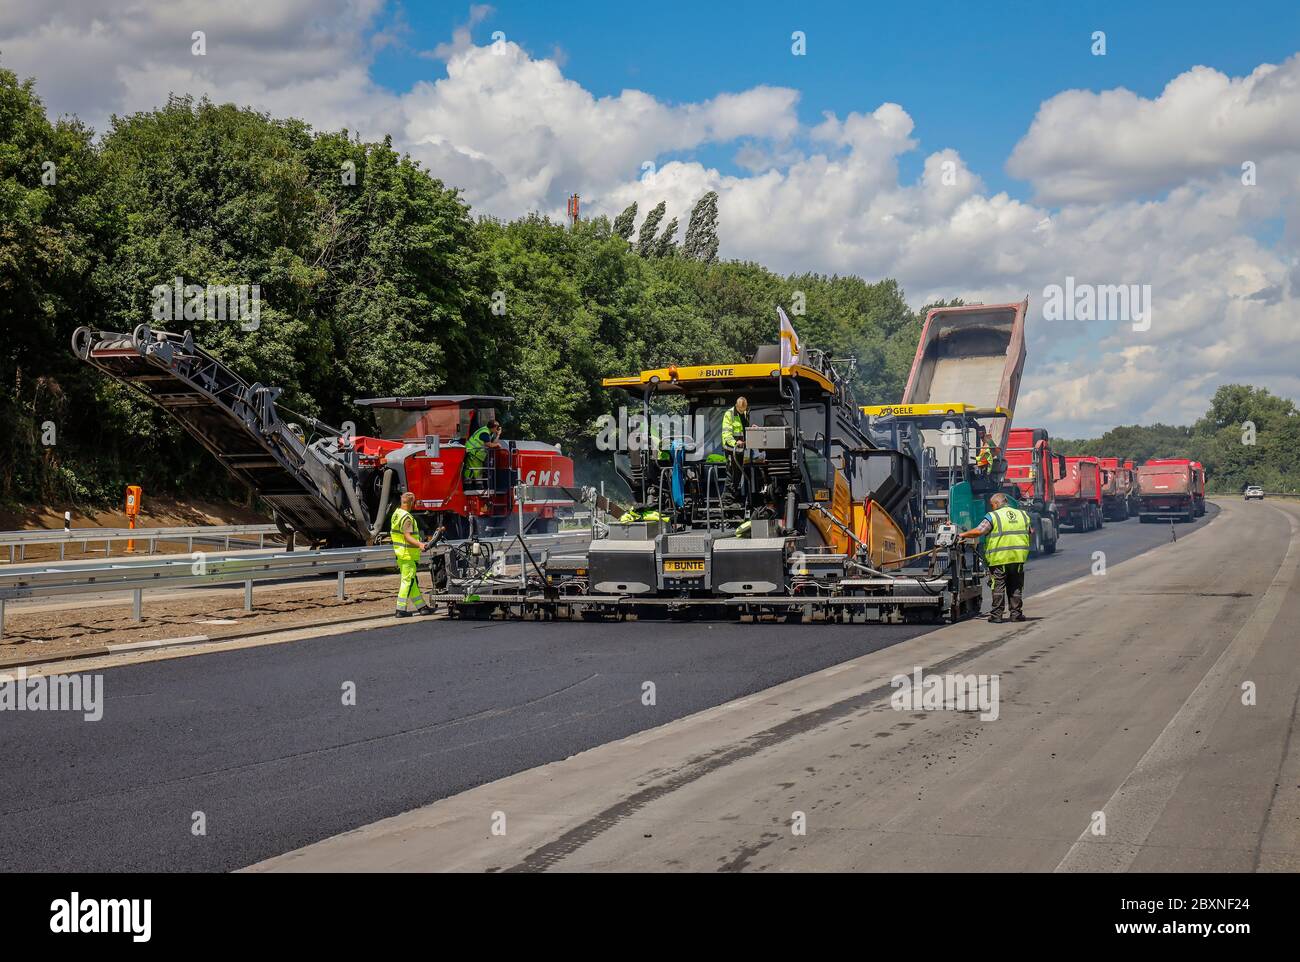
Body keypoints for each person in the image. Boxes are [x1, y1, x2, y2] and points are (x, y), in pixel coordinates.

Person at [958, 492, 1030, 623]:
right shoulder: (1022, 514)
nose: (992, 508)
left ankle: (997, 615)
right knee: (1015, 586)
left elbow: (979, 531)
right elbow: (1030, 531)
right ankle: (1016, 614)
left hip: (1000, 558)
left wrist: (962, 535)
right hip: (1018, 557)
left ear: (997, 503)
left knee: (998, 586)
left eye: (992, 505)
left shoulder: (993, 516)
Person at [389, 492, 438, 617]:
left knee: (412, 582)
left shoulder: (396, 514)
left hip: (401, 554)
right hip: (408, 554)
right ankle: (400, 610)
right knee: (407, 581)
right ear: (411, 503)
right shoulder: (407, 518)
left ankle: (422, 607)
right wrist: (420, 544)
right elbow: (407, 536)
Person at [722, 396, 750, 495]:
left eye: (744, 409)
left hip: (741, 449)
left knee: (738, 473)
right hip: (731, 449)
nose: (742, 411)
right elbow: (726, 434)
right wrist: (735, 443)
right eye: (740, 409)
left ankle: (734, 496)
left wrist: (752, 428)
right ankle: (727, 499)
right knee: (731, 473)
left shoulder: (746, 413)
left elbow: (743, 428)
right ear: (736, 406)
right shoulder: (729, 414)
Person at [464, 418, 502, 487]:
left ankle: (471, 485)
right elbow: (490, 445)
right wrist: (497, 445)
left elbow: (493, 443)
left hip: (474, 452)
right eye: (496, 428)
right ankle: (477, 485)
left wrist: (498, 435)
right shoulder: (485, 432)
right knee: (477, 470)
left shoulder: (486, 431)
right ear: (493, 428)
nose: (496, 430)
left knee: (473, 470)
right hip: (474, 453)